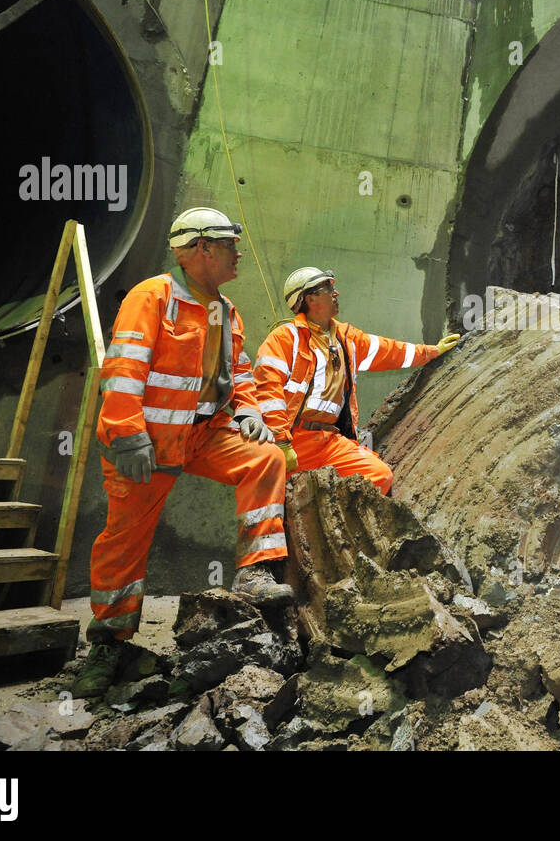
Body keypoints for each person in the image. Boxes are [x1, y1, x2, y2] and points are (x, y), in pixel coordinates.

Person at [73, 207, 293, 698]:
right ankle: (109, 644)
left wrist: (250, 409)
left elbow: (237, 373)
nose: (238, 253)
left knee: (265, 459)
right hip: (146, 442)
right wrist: (127, 434)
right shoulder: (152, 297)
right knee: (125, 538)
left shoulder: (226, 310)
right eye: (230, 245)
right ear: (202, 250)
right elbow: (124, 371)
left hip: (203, 435)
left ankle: (255, 573)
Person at [252, 267, 460, 494]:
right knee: (272, 504)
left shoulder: (347, 338)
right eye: (329, 288)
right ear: (311, 299)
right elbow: (267, 392)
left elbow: (390, 351)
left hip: (328, 441)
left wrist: (432, 351)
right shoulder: (284, 339)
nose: (336, 293)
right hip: (291, 441)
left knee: (379, 476)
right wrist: (281, 442)